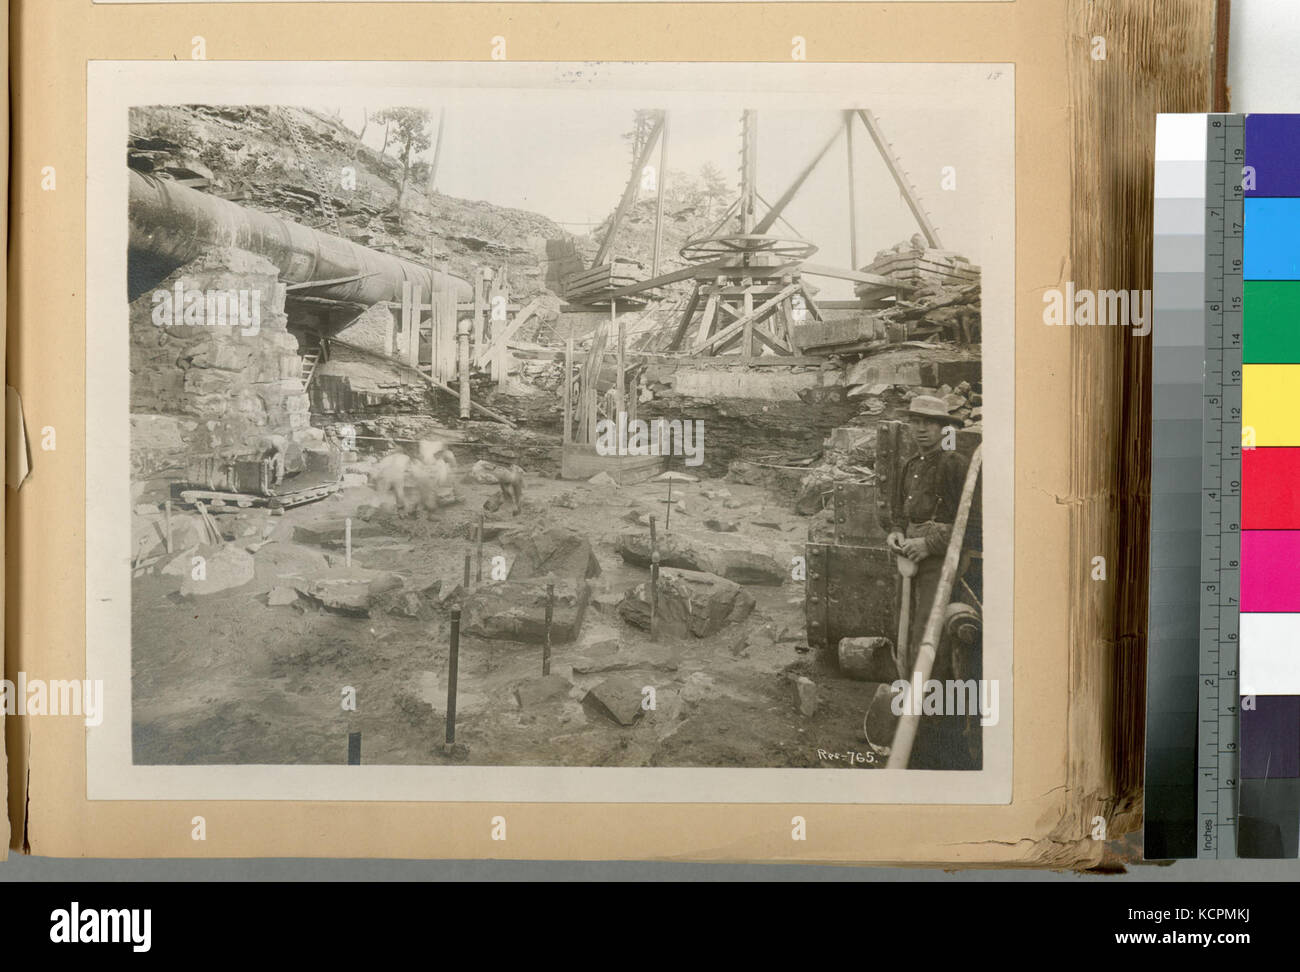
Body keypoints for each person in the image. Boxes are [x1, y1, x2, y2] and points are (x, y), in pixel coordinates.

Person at [886, 395, 969, 683]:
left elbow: (970, 521)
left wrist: (928, 544)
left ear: (943, 428)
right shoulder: (910, 465)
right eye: (916, 422)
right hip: (907, 556)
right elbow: (899, 512)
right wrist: (896, 532)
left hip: (938, 560)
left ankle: (929, 705)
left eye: (930, 423)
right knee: (904, 625)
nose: (922, 429)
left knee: (928, 628)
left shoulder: (954, 465)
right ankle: (908, 687)